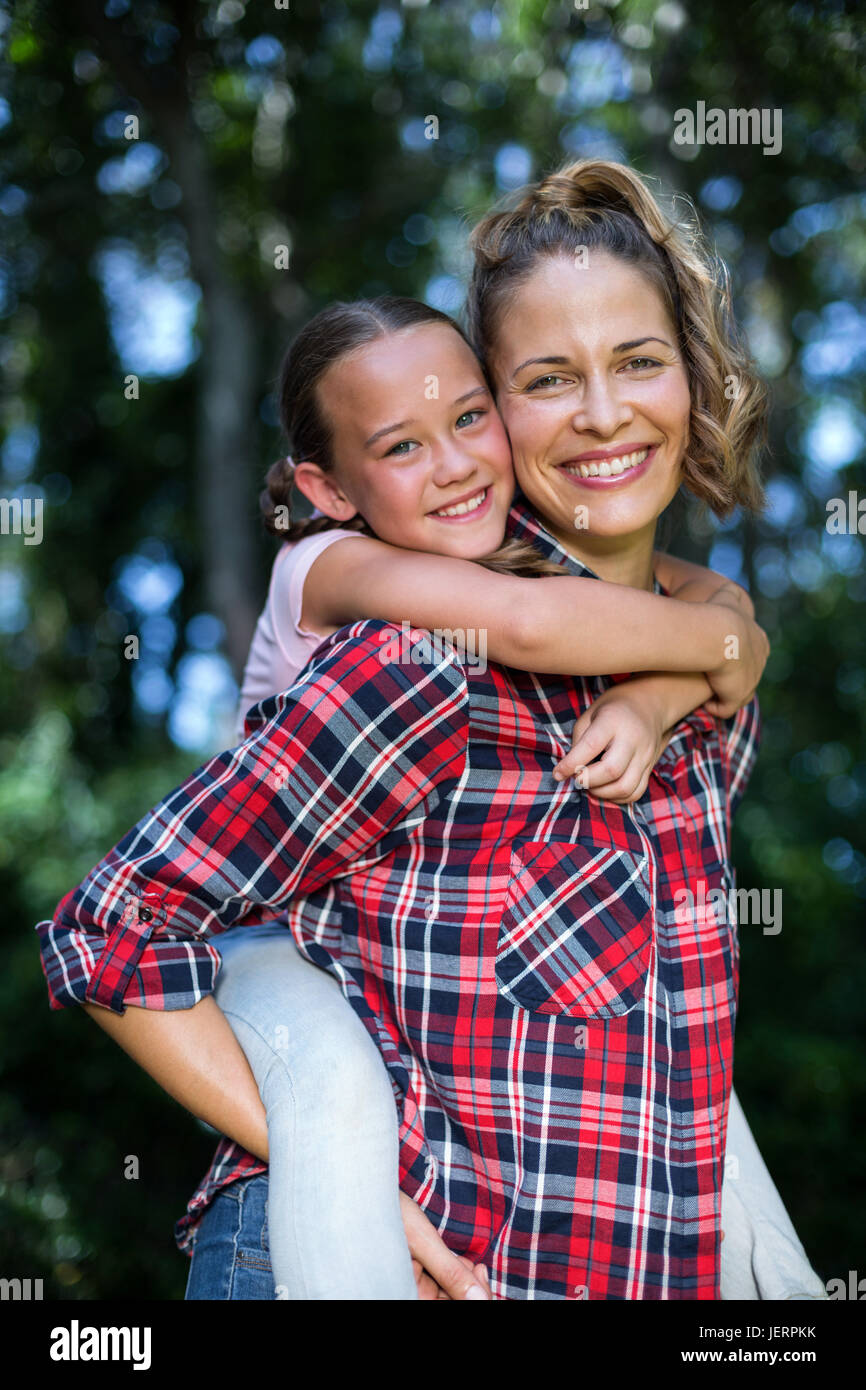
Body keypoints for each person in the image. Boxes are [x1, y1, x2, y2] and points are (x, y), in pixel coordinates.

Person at [34, 159, 821, 1299]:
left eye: (638, 361)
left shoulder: (705, 700)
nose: (601, 413)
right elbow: (111, 929)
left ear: (693, 377)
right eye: (548, 378)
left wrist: (693, 671)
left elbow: (712, 619)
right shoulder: (420, 660)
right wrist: (341, 1177)